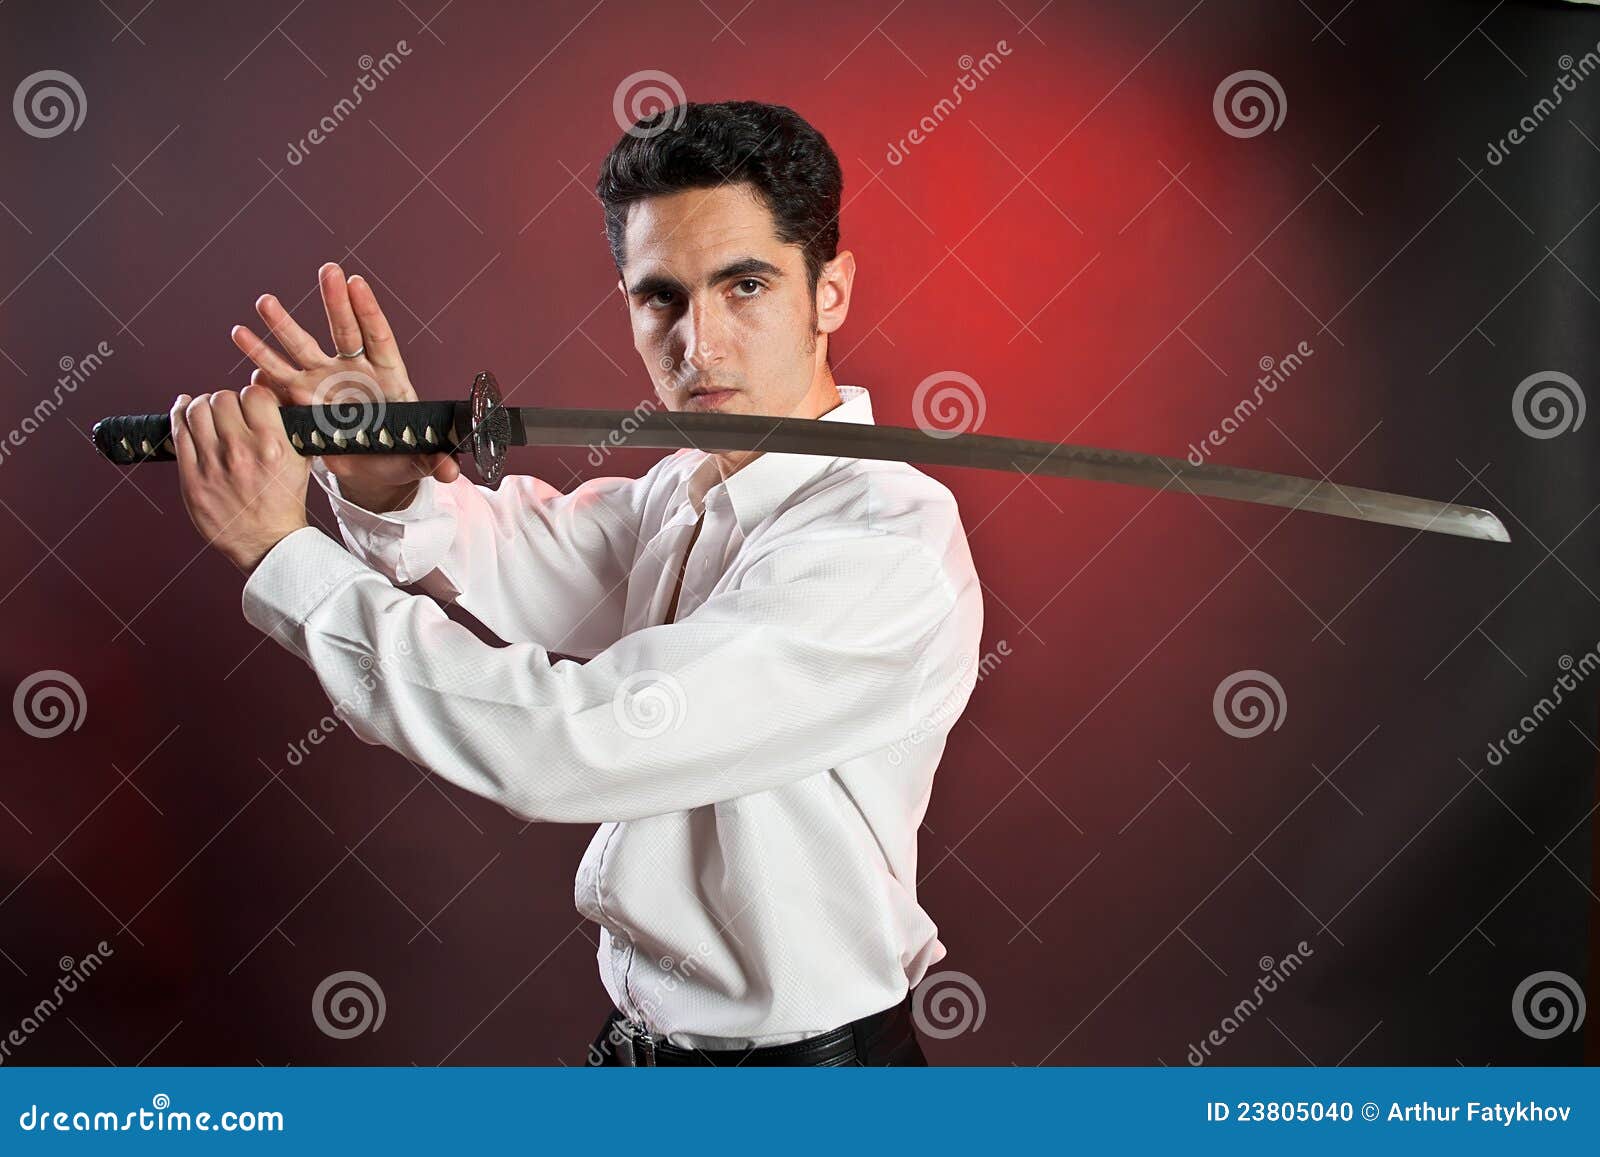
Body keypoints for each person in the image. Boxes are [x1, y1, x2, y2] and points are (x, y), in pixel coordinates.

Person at [168, 101, 983, 1066]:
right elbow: (526, 552)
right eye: (661, 297)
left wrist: (285, 562)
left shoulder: (884, 544)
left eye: (746, 285)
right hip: (632, 1059)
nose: (699, 344)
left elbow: (572, 740)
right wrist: (383, 476)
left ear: (831, 290)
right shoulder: (682, 491)